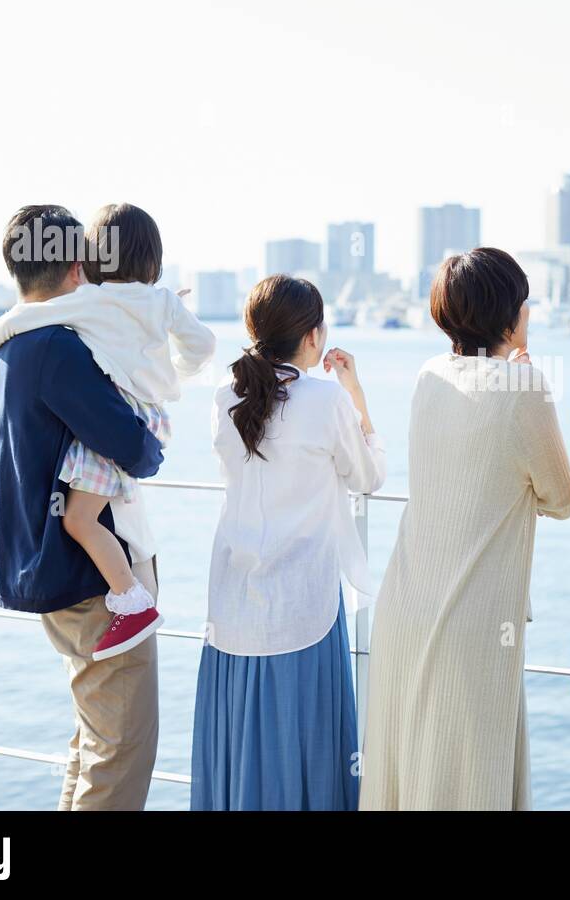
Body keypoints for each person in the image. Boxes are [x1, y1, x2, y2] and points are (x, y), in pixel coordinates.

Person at [360, 248, 570, 811]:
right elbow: (562, 498)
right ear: (512, 315)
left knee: (408, 770)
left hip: (406, 603)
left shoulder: (430, 375)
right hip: (472, 620)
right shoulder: (523, 391)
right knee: (473, 778)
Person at [0, 204, 165, 810]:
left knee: (92, 743)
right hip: (94, 583)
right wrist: (153, 443)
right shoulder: (59, 348)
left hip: (53, 569)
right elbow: (131, 446)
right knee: (121, 751)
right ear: (75, 268)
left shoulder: (12, 344)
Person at [0, 203, 215, 660]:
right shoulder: (159, 303)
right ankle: (131, 597)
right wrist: (174, 373)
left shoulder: (77, 313)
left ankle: (130, 599)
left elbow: (22, 317)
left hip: (52, 551)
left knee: (77, 518)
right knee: (120, 726)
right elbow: (142, 449)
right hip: (153, 416)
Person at [192, 274, 384, 810]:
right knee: (307, 745)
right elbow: (369, 476)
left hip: (232, 604)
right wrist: (356, 394)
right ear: (313, 337)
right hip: (304, 603)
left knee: (240, 743)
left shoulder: (224, 396)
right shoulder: (325, 401)